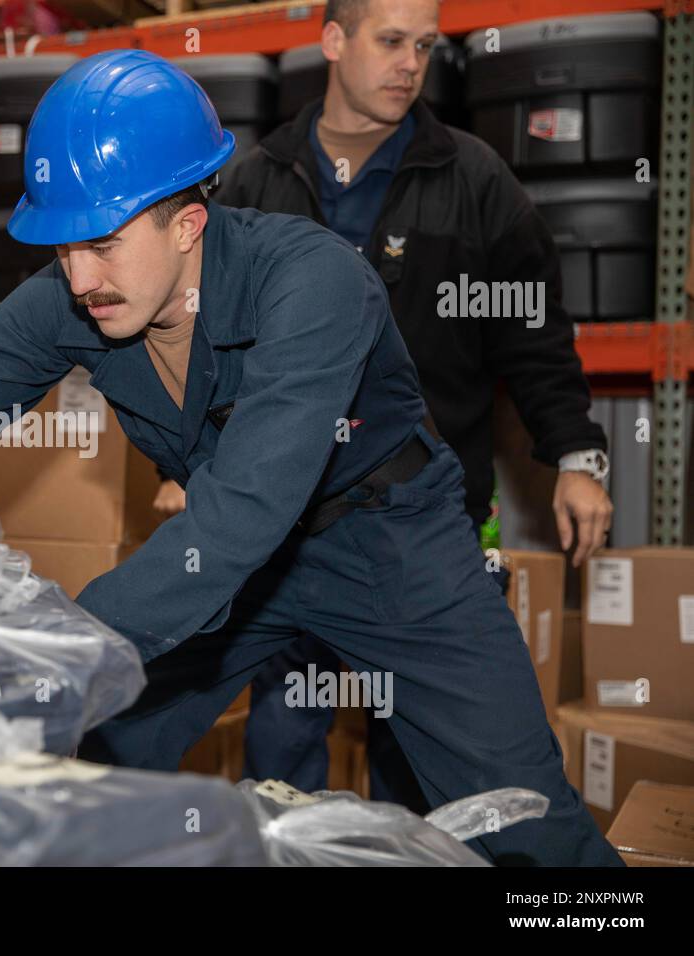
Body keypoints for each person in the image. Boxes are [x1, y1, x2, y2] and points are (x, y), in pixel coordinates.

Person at [0, 48, 621, 865]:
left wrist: (48, 652)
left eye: (104, 244)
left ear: (187, 221)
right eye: (60, 246)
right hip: (216, 565)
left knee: (526, 818)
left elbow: (251, 502)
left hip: (392, 547)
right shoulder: (75, 294)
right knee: (71, 750)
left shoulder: (314, 283)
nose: (78, 277)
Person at [213, 0, 612, 811]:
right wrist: (185, 464)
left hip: (425, 520)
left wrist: (576, 456)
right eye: (391, 41)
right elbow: (209, 345)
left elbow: (531, 331)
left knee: (427, 761)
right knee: (284, 751)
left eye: (425, 47)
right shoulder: (255, 183)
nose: (411, 63)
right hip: (287, 525)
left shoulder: (473, 180)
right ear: (333, 40)